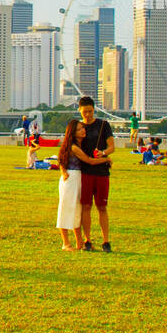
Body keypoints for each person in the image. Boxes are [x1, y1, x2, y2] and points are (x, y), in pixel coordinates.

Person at [76, 96, 116, 252]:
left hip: (101, 173)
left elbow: (112, 146)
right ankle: (87, 240)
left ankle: (106, 241)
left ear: (94, 110)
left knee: (102, 207)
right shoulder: (78, 127)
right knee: (86, 206)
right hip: (85, 172)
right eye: (85, 112)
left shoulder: (103, 125)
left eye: (90, 111)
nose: (88, 115)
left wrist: (103, 153)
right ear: (79, 110)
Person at [56, 119, 96, 250]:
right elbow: (88, 160)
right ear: (73, 133)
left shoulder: (80, 144)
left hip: (79, 178)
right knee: (66, 209)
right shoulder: (73, 147)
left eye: (83, 128)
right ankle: (65, 243)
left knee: (77, 210)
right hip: (71, 179)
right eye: (79, 129)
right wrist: (106, 158)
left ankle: (79, 242)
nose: (83, 130)